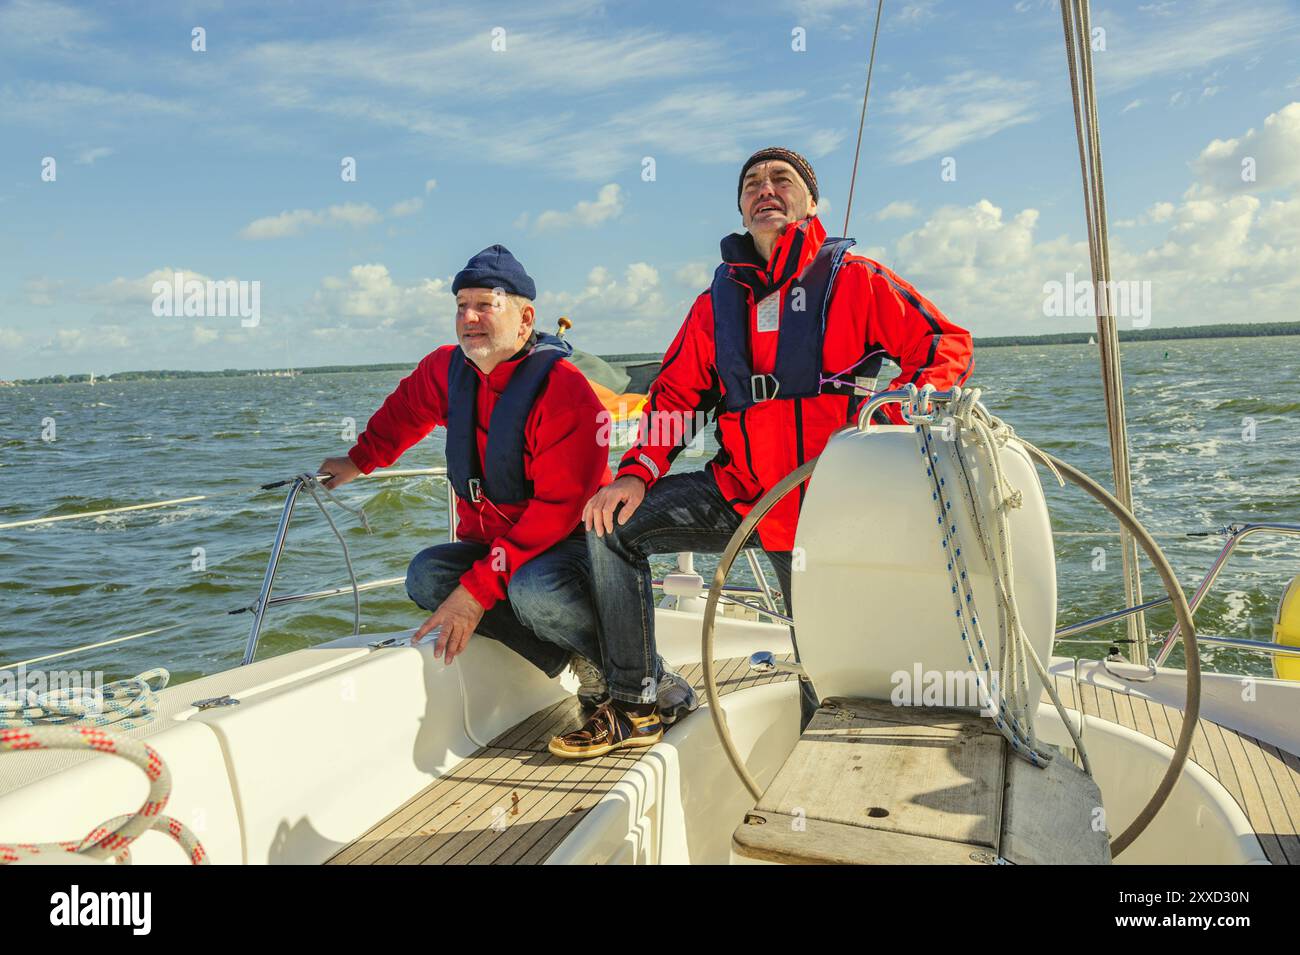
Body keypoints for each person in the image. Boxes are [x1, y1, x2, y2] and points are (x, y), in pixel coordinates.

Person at [548, 146, 974, 758]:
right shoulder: (714, 305)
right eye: (752, 183)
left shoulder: (857, 280)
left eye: (782, 179)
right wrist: (636, 474)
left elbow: (944, 344)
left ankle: (830, 777)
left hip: (829, 511)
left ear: (811, 201)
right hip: (741, 497)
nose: (765, 189)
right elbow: (674, 399)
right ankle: (639, 701)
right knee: (612, 525)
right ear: (742, 207)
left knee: (828, 673)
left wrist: (905, 406)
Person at [318, 245, 693, 715]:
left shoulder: (565, 392)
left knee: (532, 588)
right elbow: (405, 414)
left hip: (566, 547)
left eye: (484, 305)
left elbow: (555, 512)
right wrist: (358, 460)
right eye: (460, 306)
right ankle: (576, 661)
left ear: (524, 318)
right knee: (426, 576)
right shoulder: (445, 370)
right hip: (493, 544)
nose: (468, 317)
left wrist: (477, 592)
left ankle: (644, 671)